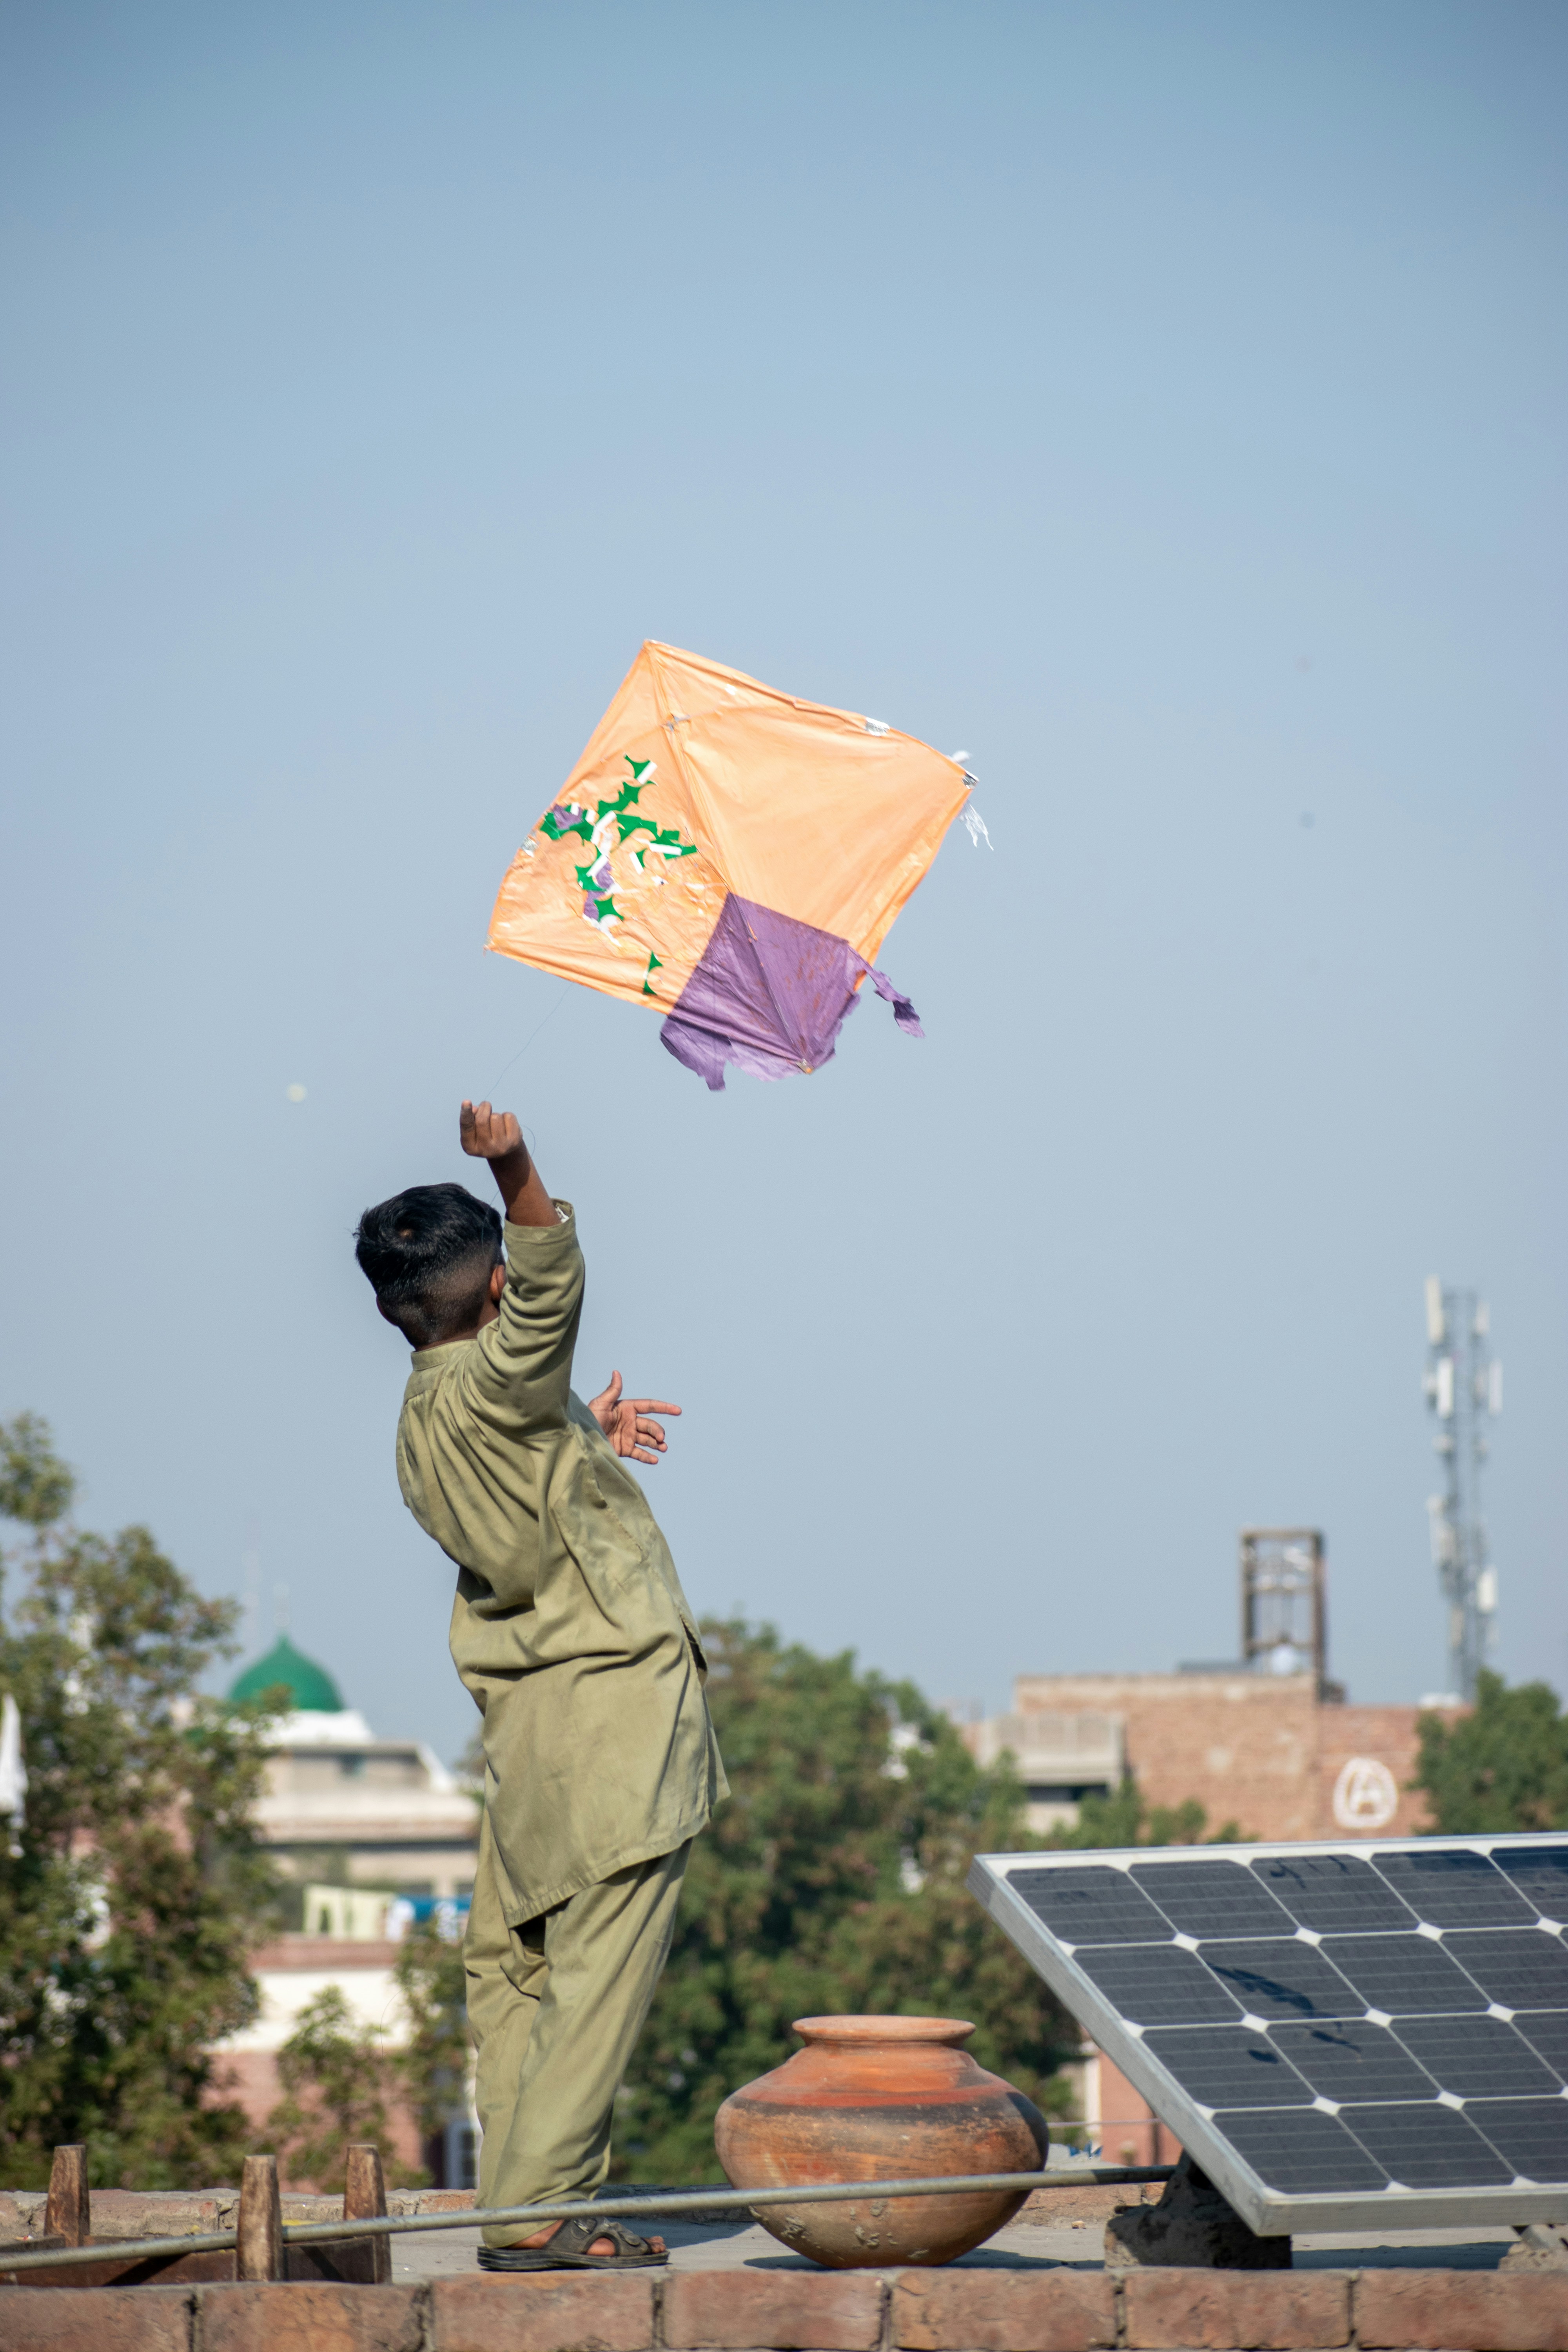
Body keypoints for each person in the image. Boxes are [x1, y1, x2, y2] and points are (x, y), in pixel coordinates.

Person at [354, 1100, 727, 2270]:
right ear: (496, 1298)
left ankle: (517, 2207)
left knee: (518, 1971)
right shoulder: (510, 1376)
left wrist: (585, 1436)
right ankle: (543, 2215)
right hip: (614, 1716)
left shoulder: (423, 1421)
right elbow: (551, 1274)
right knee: (600, 1976)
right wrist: (511, 1161)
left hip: (527, 1735)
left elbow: (519, 1503)